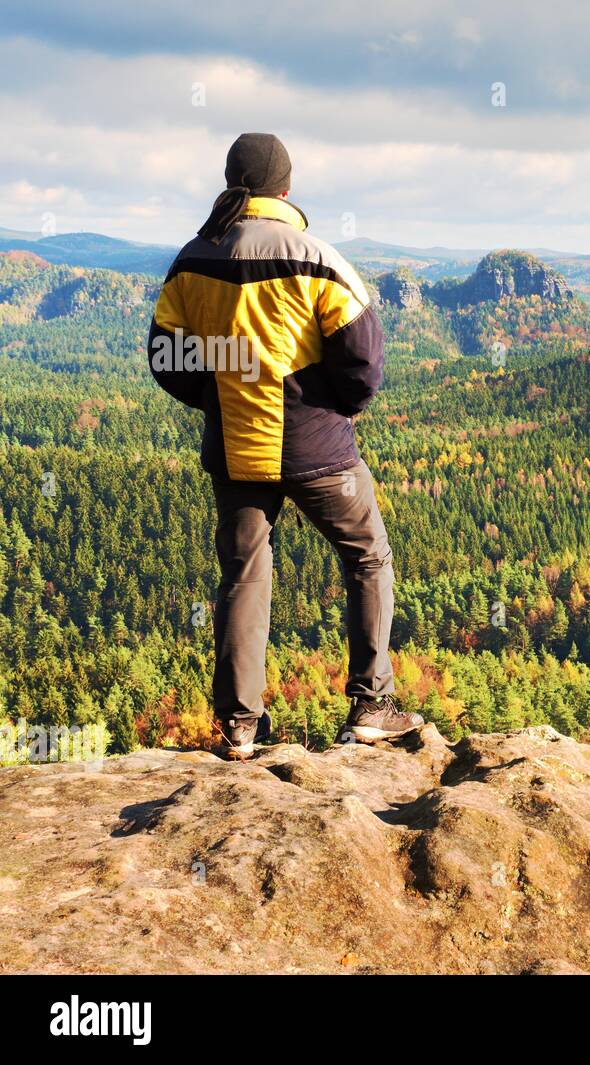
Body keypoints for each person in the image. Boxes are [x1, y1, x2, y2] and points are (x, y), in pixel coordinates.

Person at [148, 132, 423, 759]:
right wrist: (334, 410)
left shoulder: (192, 261)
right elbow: (363, 363)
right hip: (318, 450)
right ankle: (370, 703)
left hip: (236, 450)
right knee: (367, 557)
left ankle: (240, 725)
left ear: (231, 184)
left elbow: (166, 356)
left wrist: (220, 398)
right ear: (286, 189)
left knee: (244, 575)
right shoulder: (318, 259)